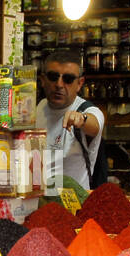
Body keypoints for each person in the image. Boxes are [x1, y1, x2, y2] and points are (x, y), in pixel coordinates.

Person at [36, 53, 104, 191]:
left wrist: (82, 119)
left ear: (79, 84)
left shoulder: (87, 110)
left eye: (68, 79)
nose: (59, 85)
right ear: (43, 80)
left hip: (73, 206)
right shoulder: (37, 108)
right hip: (38, 203)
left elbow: (95, 125)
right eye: (53, 77)